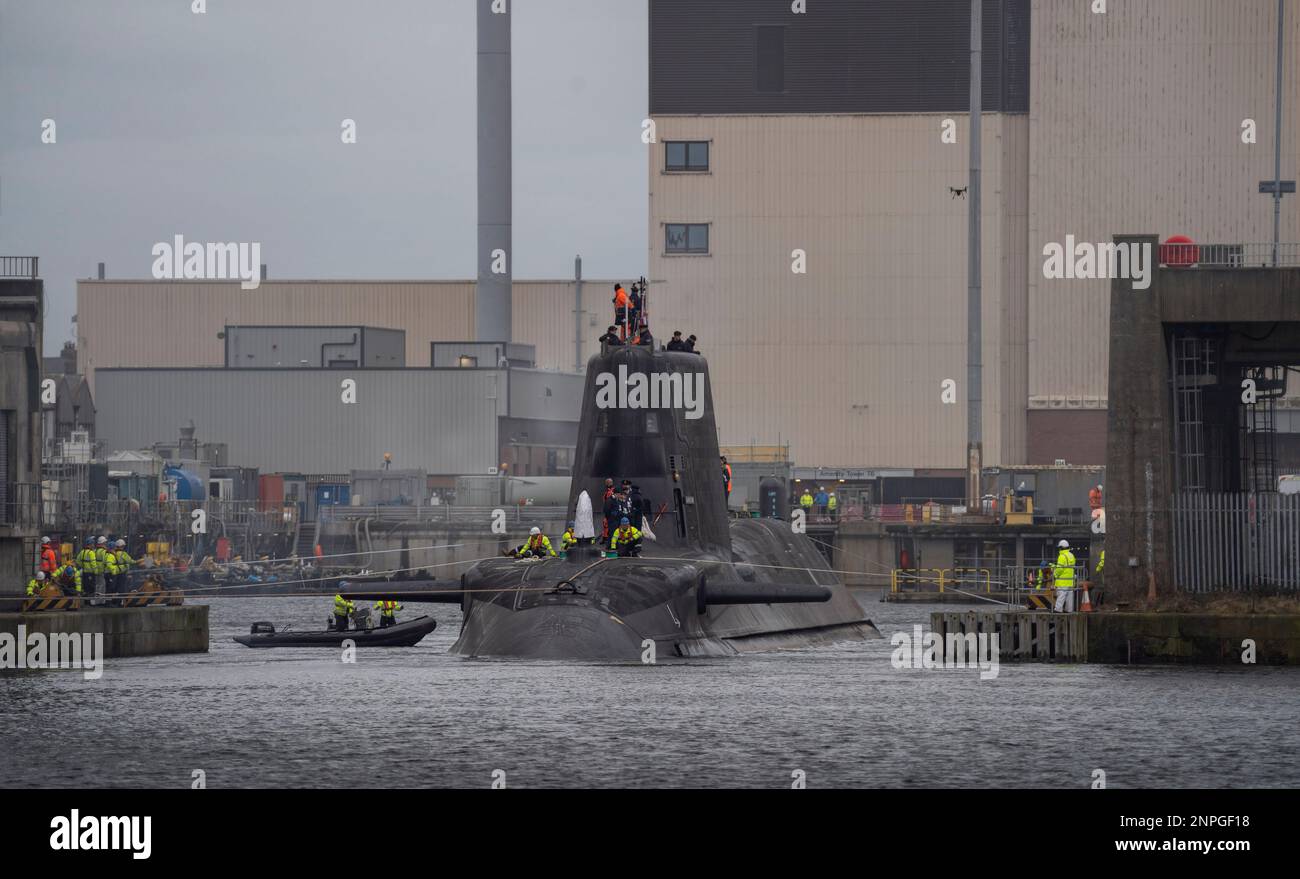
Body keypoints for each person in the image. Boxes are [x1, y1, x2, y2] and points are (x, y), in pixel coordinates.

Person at [1052, 539, 1077, 612]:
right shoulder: (1071, 555)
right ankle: (1069, 610)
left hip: (1062, 580)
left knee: (1061, 595)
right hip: (1070, 580)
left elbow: (1059, 569)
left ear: (1061, 548)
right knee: (1070, 596)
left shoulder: (1062, 556)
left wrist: (1055, 574)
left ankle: (1058, 609)